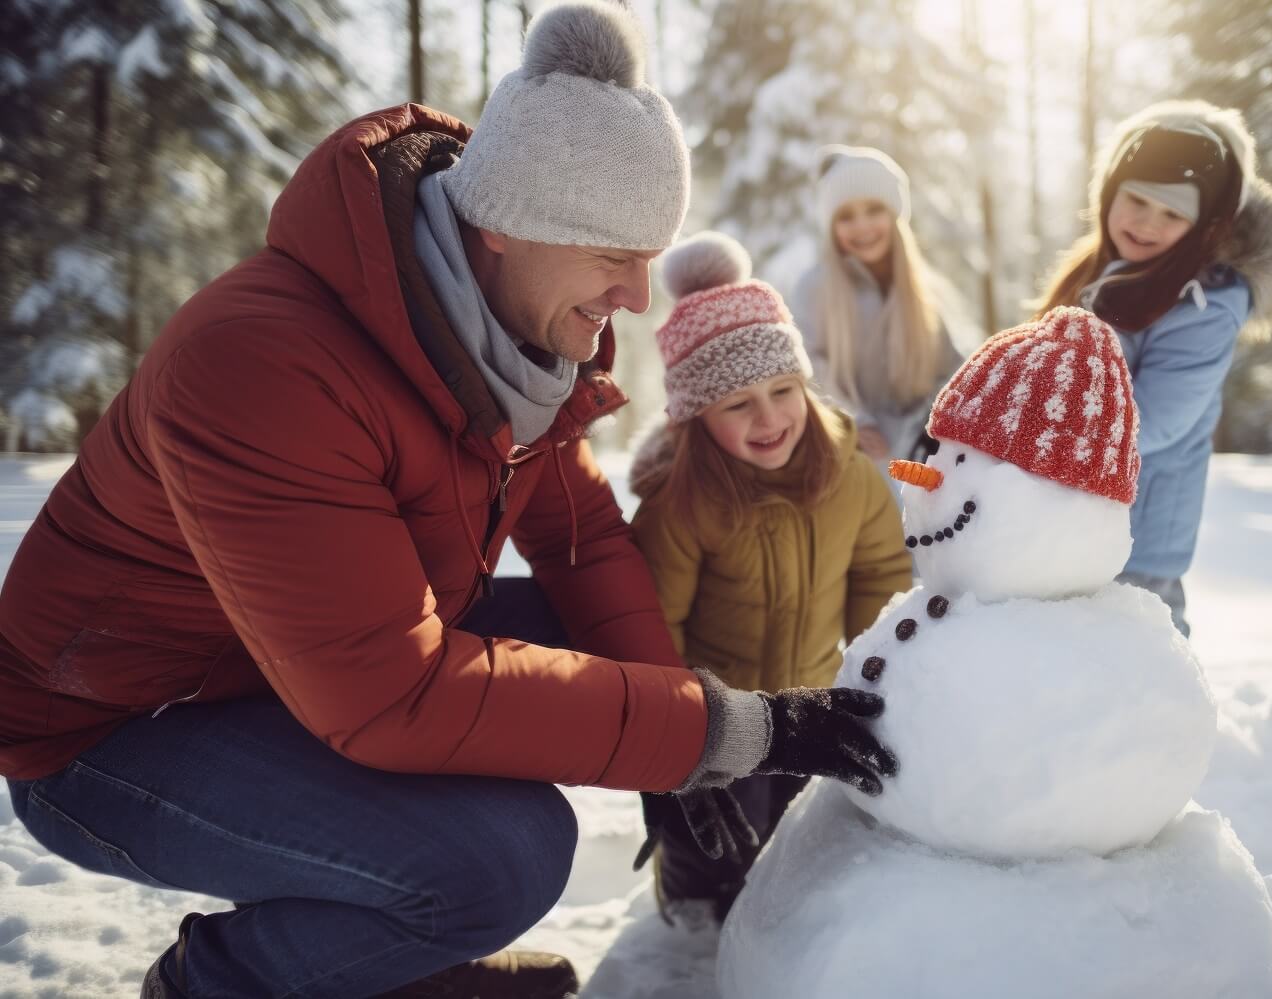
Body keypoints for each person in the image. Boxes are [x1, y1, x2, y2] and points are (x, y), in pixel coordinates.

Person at [0, 4, 896, 997]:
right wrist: (726, 731)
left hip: (289, 662)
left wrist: (677, 748)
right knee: (502, 859)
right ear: (512, 226)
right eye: (616, 256)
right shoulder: (262, 367)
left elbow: (584, 536)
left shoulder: (510, 340)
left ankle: (383, 954)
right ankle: (224, 982)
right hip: (117, 728)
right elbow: (392, 696)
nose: (638, 298)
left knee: (614, 625)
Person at [626, 232, 913, 922]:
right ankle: (689, 906)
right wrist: (672, 739)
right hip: (717, 719)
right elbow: (650, 624)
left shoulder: (846, 474)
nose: (769, 417)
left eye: (783, 389)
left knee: (795, 831)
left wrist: (888, 667)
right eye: (737, 404)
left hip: (814, 703)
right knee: (712, 835)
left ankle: (777, 924)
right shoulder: (682, 501)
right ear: (696, 416)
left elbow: (880, 574)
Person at [1034, 100, 1272, 636]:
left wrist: (1039, 439)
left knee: (1136, 668)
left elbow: (1155, 419)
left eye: (1172, 214)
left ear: (1205, 226)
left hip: (1136, 533)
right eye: (1137, 200)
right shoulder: (1102, 268)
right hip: (1075, 516)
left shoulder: (1205, 303)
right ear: (1108, 194)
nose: (1146, 223)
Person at [788, 145, 965, 471]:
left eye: (874, 209)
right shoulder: (815, 289)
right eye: (846, 216)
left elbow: (952, 369)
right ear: (831, 227)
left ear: (895, 216)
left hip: (921, 448)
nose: (862, 226)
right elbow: (809, 367)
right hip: (854, 451)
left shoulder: (924, 289)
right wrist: (855, 419)